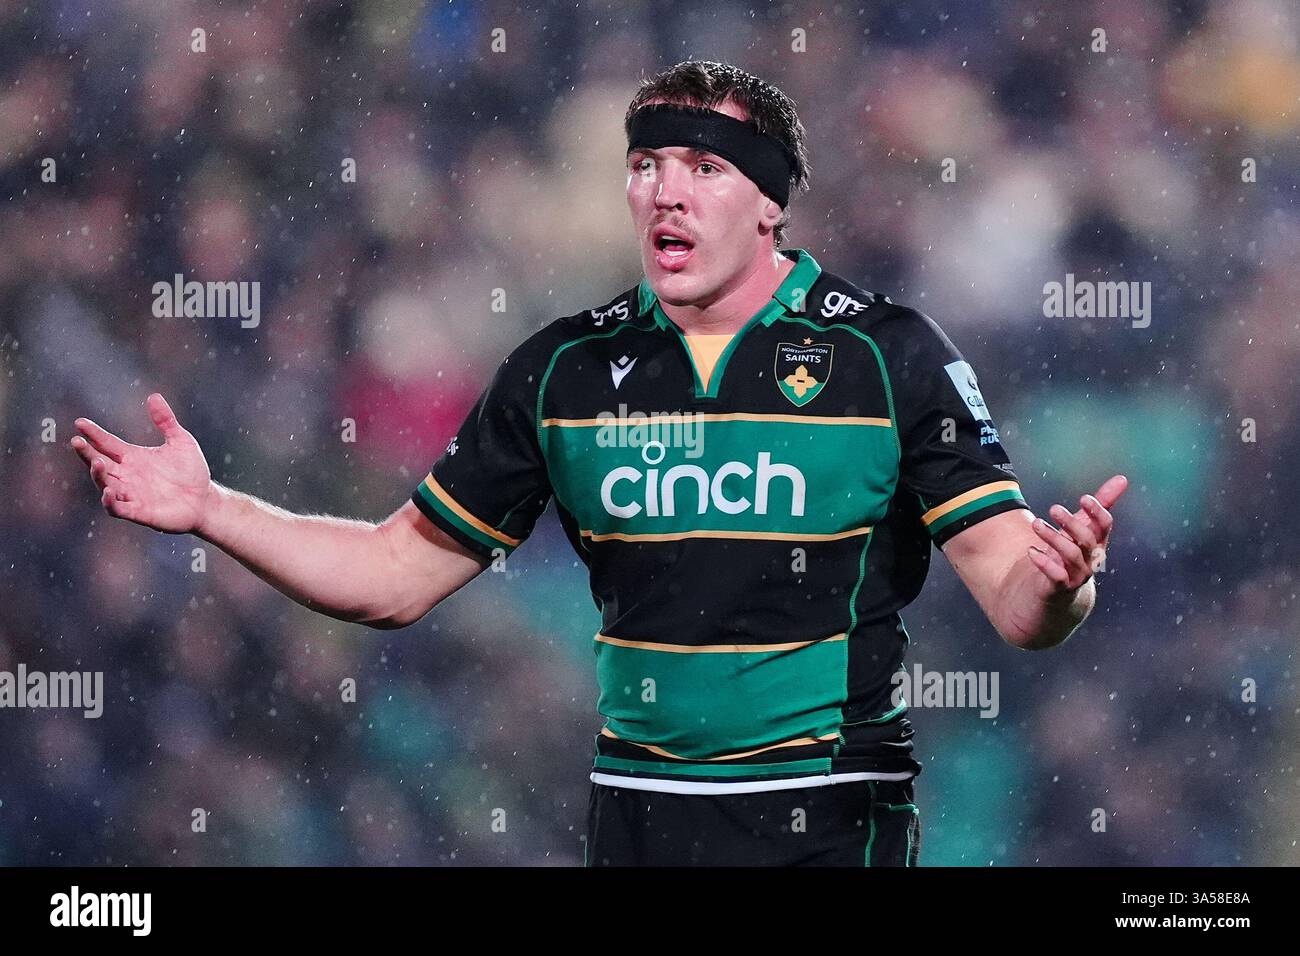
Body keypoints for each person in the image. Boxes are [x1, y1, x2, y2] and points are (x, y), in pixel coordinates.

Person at [70, 60, 1126, 867]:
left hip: (827, 812)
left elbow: (1017, 604)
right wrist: (213, 509)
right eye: (647, 166)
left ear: (769, 204)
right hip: (637, 816)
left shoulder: (890, 356)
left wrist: (1065, 580)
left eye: (704, 168)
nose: (666, 192)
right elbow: (392, 575)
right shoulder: (565, 372)